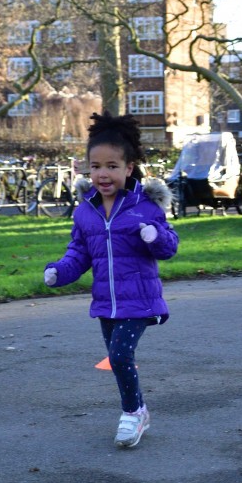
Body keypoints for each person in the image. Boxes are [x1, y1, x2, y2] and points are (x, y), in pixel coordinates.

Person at [43, 112, 178, 448]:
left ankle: (132, 413)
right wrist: (60, 271)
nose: (103, 174)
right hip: (106, 303)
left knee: (119, 356)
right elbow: (79, 253)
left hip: (140, 301)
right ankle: (138, 409)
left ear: (129, 168)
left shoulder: (145, 207)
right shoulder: (85, 211)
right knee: (120, 362)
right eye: (95, 166)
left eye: (112, 166)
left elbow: (169, 246)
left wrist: (153, 236)